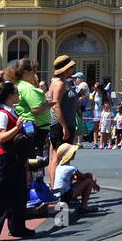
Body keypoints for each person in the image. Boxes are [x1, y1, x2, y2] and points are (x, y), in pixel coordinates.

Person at [0, 80, 33, 241]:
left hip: (15, 157)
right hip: (1, 158)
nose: (18, 95)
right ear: (9, 96)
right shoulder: (0, 114)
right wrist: (17, 128)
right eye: (16, 92)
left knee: (19, 192)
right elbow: (2, 137)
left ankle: (18, 227)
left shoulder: (12, 112)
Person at [46, 56, 80, 185]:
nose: (72, 70)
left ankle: (56, 185)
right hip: (60, 124)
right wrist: (64, 126)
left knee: (57, 156)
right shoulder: (59, 83)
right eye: (70, 67)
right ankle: (55, 188)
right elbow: (56, 105)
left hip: (62, 123)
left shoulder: (59, 82)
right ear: (65, 69)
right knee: (58, 156)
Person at [13, 60, 52, 162]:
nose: (35, 73)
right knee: (37, 162)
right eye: (34, 70)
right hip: (36, 128)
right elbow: (36, 110)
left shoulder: (17, 84)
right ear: (25, 72)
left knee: (28, 160)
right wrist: (47, 105)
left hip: (28, 126)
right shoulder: (27, 88)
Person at [52, 143, 100, 213]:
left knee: (82, 182)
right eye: (73, 152)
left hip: (57, 196)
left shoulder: (59, 167)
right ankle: (84, 206)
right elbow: (84, 176)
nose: (75, 153)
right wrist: (93, 179)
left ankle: (78, 202)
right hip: (65, 196)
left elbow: (76, 178)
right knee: (89, 181)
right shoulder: (71, 168)